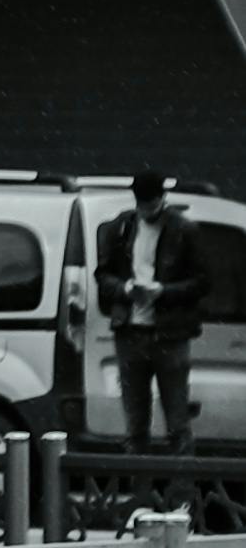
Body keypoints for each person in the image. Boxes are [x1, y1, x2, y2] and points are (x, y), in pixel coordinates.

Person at [97, 169, 204, 455]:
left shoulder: (183, 230)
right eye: (142, 206)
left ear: (162, 199)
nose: (146, 212)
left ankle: (181, 497)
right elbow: (103, 275)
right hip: (131, 332)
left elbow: (202, 282)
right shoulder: (123, 227)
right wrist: (126, 289)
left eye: (152, 206)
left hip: (169, 335)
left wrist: (163, 291)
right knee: (135, 425)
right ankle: (141, 495)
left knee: (177, 423)